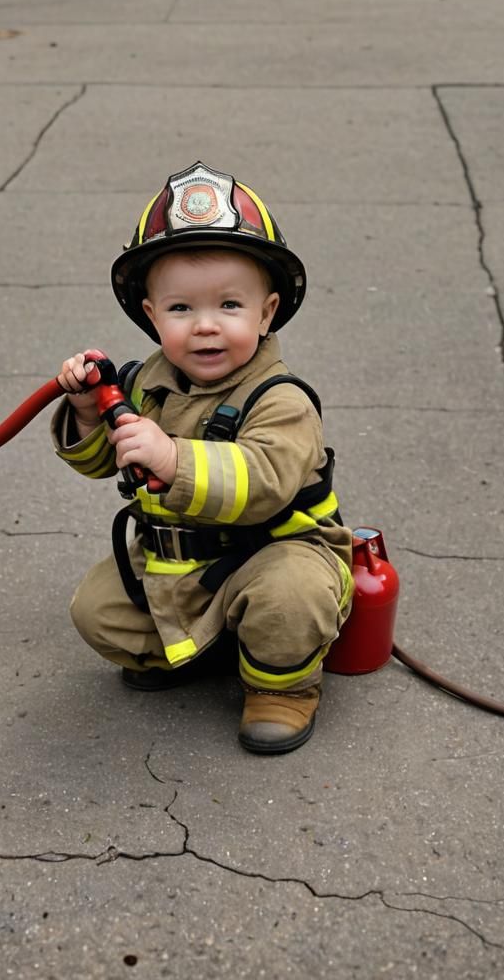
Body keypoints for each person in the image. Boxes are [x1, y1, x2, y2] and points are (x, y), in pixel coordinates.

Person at [51, 161, 353, 754]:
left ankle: (282, 688)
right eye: (182, 309)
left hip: (270, 554)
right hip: (180, 565)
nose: (206, 327)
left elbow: (264, 482)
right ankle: (206, 648)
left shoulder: (281, 399)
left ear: (266, 313)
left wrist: (172, 457)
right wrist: (89, 412)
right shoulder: (141, 384)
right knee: (97, 612)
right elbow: (98, 463)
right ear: (150, 315)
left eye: (230, 306)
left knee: (290, 599)